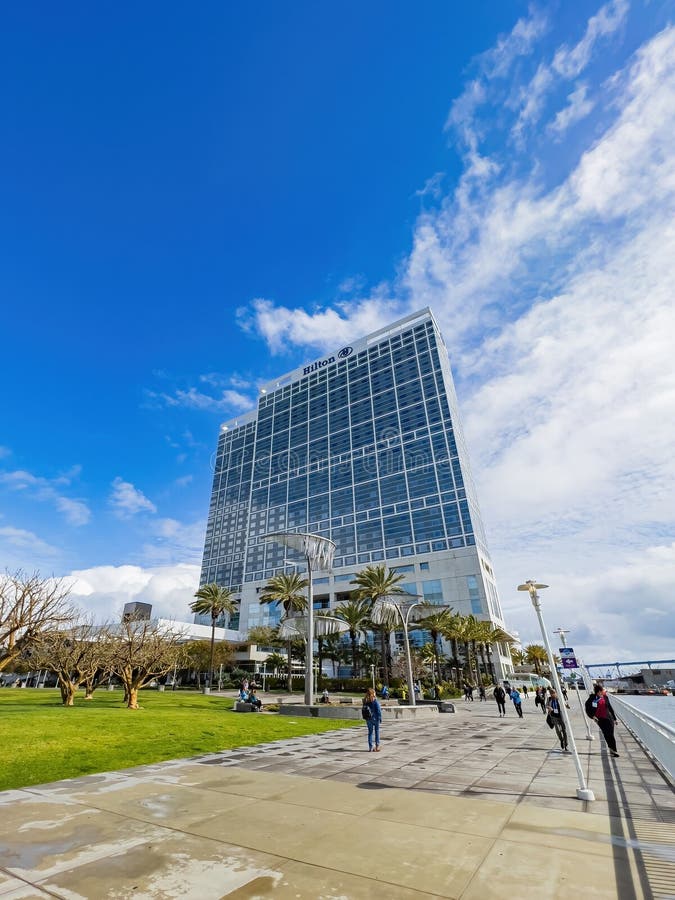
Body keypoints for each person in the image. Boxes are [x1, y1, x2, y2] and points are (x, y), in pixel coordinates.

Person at [588, 684, 619, 757]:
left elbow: (610, 708)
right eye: (602, 690)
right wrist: (592, 716)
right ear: (598, 691)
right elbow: (588, 709)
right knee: (606, 733)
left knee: (610, 734)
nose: (603, 692)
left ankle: (612, 749)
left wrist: (614, 718)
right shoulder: (592, 699)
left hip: (609, 718)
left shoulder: (605, 697)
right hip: (600, 719)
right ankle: (612, 748)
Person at [362, 687, 382, 751]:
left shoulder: (365, 701)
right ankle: (377, 746)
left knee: (370, 733)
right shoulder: (375, 701)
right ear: (373, 693)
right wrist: (380, 718)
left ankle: (370, 747)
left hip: (368, 719)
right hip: (375, 719)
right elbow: (378, 710)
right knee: (377, 732)